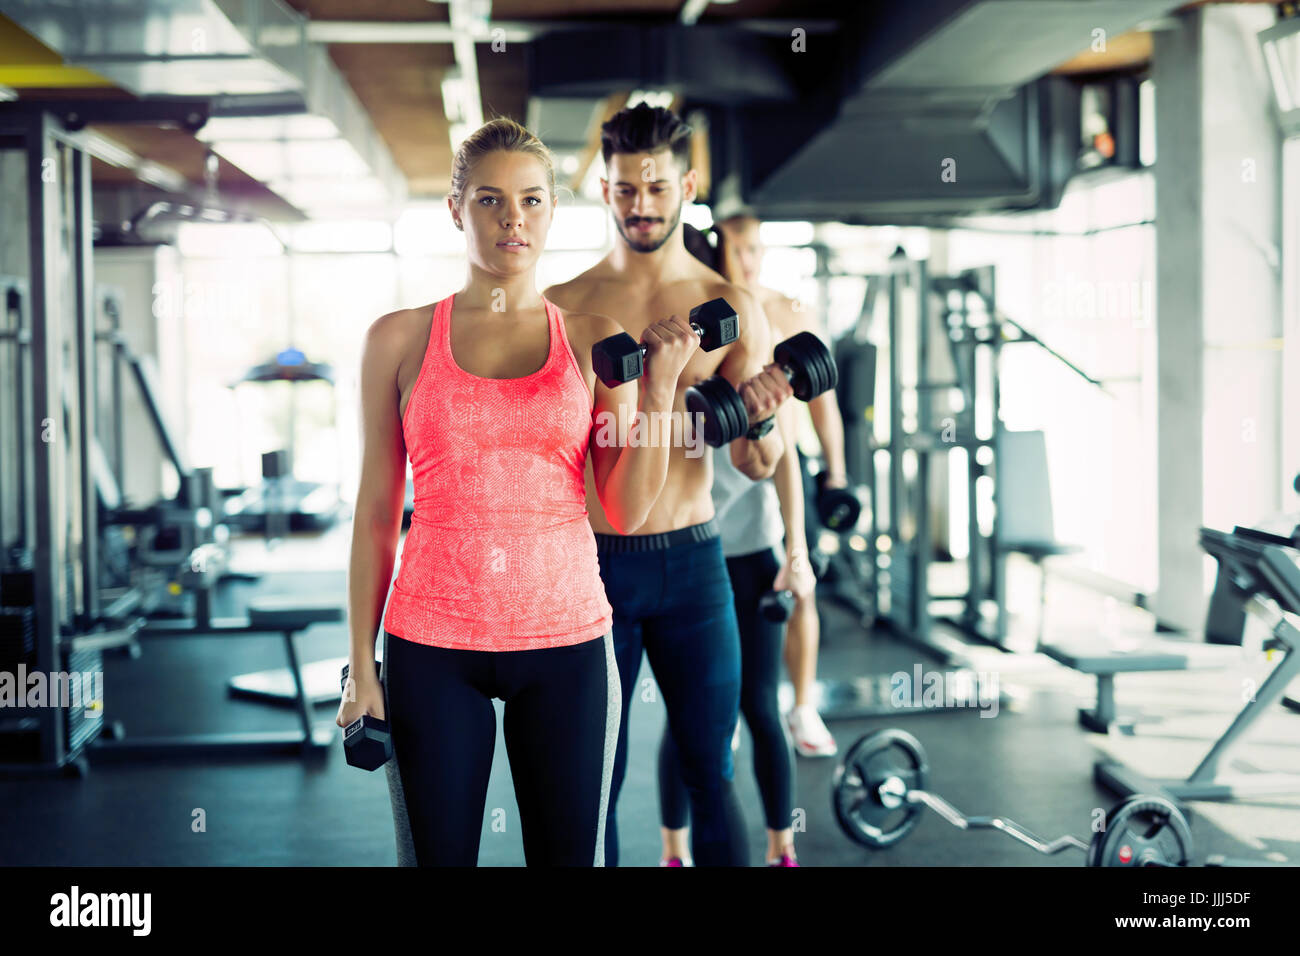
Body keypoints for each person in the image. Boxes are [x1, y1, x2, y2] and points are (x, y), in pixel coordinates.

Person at [336, 116, 700, 866]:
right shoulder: (398, 339)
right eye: (492, 201)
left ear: (554, 211)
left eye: (533, 201)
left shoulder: (595, 338)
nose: (514, 219)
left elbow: (626, 507)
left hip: (565, 641)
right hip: (430, 644)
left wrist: (660, 391)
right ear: (455, 208)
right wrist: (361, 668)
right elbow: (376, 513)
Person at [545, 103, 794, 867]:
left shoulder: (733, 306)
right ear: (604, 188)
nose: (641, 206)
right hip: (594, 565)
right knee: (594, 783)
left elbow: (759, 464)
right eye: (624, 190)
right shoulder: (566, 305)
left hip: (694, 563)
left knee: (709, 774)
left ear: (686, 183)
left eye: (656, 188)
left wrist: (756, 419)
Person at [652, 223, 816, 867]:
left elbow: (784, 463)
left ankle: (781, 849)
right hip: (688, 558)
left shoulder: (752, 363)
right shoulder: (656, 373)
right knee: (687, 719)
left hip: (749, 555)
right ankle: (674, 852)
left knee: (759, 707)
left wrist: (796, 553)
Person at [715, 213, 846, 759]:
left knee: (799, 582)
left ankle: (802, 705)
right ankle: (732, 707)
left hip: (786, 472)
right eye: (736, 248)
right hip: (729, 469)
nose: (747, 259)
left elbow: (825, 405)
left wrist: (836, 475)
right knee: (726, 594)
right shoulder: (711, 315)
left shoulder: (791, 312)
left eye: (754, 248)